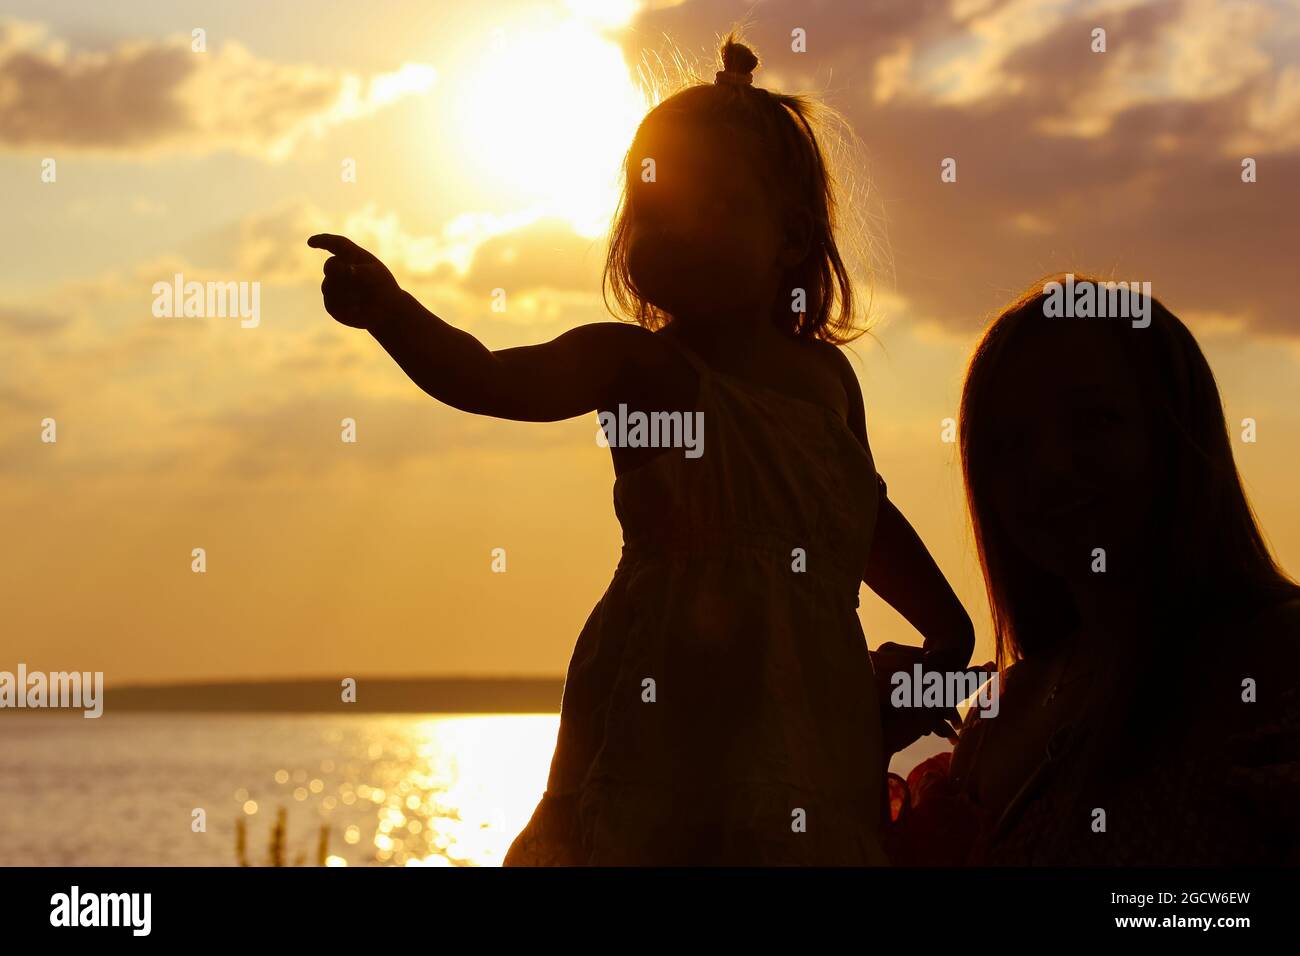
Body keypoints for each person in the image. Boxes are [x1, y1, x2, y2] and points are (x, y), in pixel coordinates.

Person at [308, 34, 972, 865]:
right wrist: (392, 312)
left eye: (717, 205)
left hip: (808, 721)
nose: (679, 227)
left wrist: (949, 631)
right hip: (665, 715)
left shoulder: (828, 380)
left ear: (792, 238)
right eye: (653, 209)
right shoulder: (638, 364)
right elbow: (486, 377)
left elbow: (858, 510)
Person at [889, 274, 1300, 865]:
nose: (1052, 467)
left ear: (1178, 438)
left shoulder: (1275, 662)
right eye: (1011, 443)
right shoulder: (997, 722)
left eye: (1095, 422)